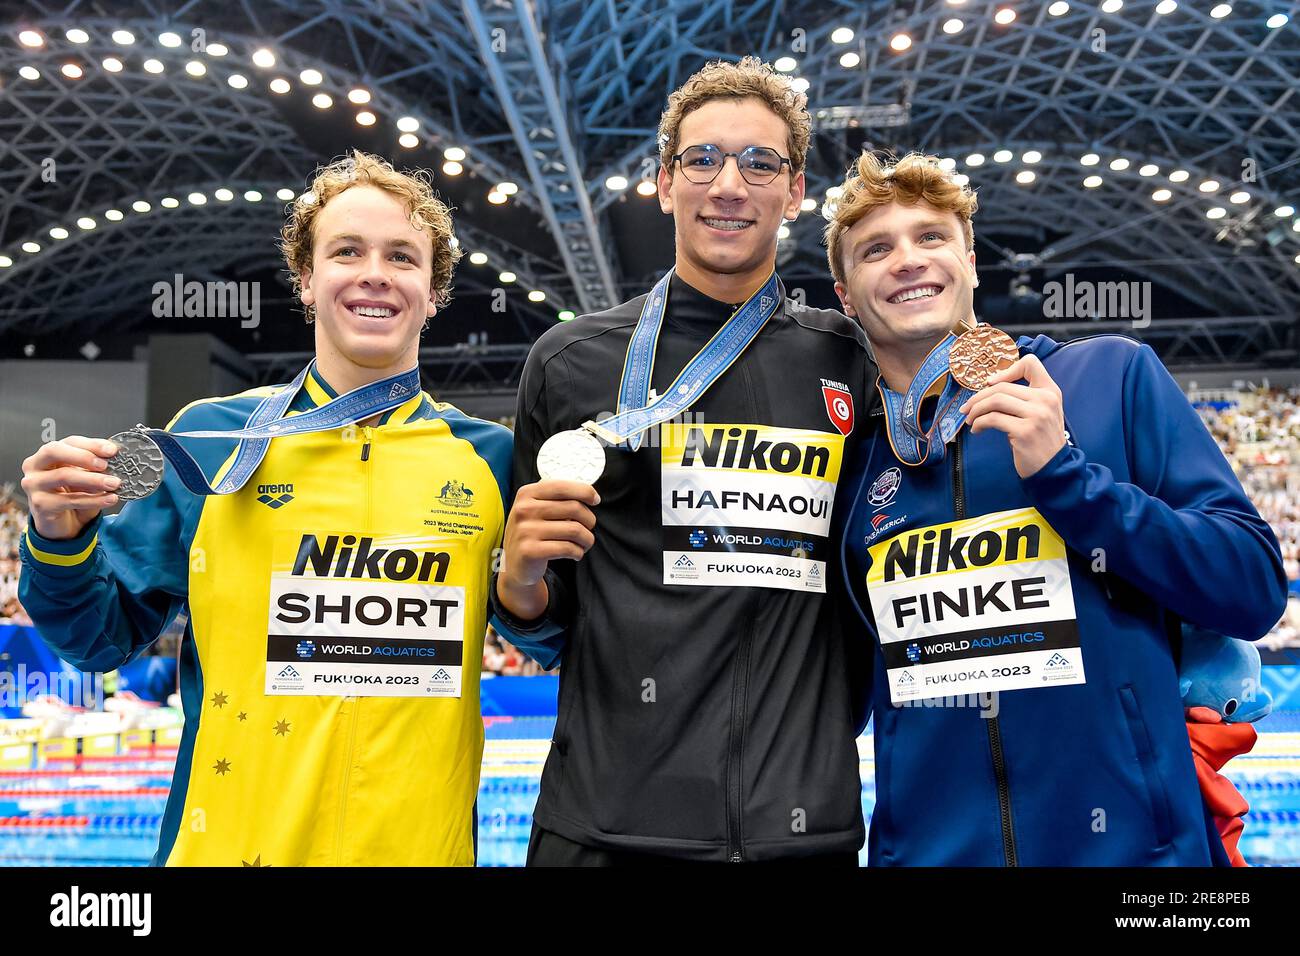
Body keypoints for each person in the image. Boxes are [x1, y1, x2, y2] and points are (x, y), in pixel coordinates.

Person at [18, 151, 511, 866]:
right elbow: (98, 639)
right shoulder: (212, 439)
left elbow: (552, 637)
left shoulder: (490, 458)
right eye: (347, 251)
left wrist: (534, 583)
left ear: (432, 292)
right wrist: (59, 536)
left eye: (401, 256)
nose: (374, 270)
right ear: (307, 281)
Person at [824, 150, 1288, 865]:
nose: (908, 260)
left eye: (931, 237)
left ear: (972, 262)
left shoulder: (1109, 376)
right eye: (876, 249)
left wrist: (1068, 476)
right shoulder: (854, 460)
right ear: (846, 295)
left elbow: (1251, 590)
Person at [490, 57, 877, 864]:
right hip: (605, 829)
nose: (729, 185)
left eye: (759, 162)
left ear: (795, 190)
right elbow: (547, 619)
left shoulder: (852, 361)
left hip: (801, 831)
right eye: (702, 159)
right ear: (666, 183)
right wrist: (518, 583)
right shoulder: (571, 362)